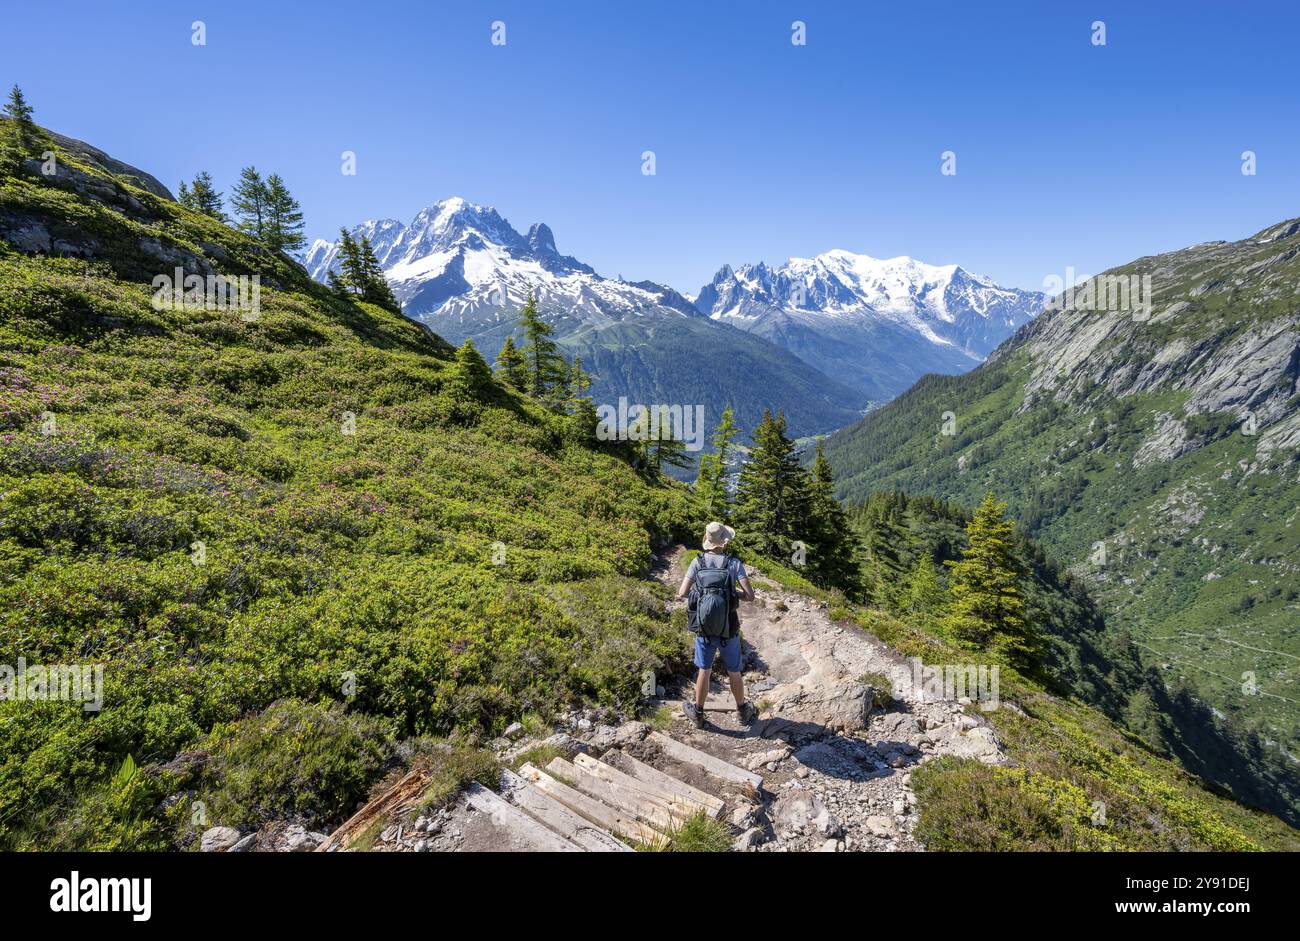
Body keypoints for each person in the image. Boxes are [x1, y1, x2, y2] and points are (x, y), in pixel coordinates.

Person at [676, 521, 757, 728]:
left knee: (704, 669)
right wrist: (730, 593)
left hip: (704, 627)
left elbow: (682, 593)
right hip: (728, 627)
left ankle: (698, 712)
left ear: (707, 540)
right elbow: (750, 596)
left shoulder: (697, 562)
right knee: (734, 671)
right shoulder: (733, 563)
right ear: (724, 541)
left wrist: (704, 593)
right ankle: (742, 711)